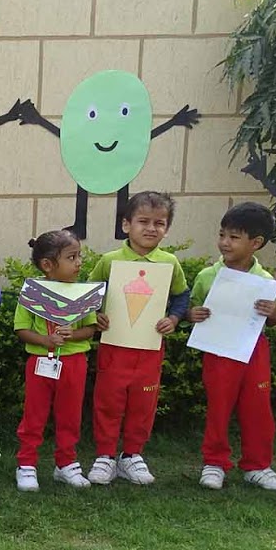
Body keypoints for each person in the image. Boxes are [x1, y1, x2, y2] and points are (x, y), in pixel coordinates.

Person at [86, 191, 191, 486]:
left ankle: (132, 454)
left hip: (150, 347)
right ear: (126, 225)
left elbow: (182, 296)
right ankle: (105, 455)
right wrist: (96, 316)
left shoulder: (170, 263)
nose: (151, 228)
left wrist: (173, 318)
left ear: (167, 229)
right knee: (108, 400)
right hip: (114, 346)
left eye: (159, 223)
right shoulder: (109, 261)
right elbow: (92, 296)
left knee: (144, 402)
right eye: (143, 221)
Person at [186, 203, 276, 491]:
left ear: (256, 243)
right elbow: (192, 309)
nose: (224, 243)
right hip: (218, 351)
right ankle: (214, 463)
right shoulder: (208, 275)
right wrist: (193, 314)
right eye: (222, 235)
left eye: (233, 237)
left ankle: (257, 466)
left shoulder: (265, 280)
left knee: (258, 409)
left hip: (254, 352)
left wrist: (273, 312)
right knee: (218, 408)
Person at [14, 229, 98, 492]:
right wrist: (44, 340)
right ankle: (26, 464)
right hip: (40, 363)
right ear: (48, 265)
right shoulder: (33, 292)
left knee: (70, 416)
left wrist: (73, 335)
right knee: (34, 415)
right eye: (72, 257)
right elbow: (21, 328)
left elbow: (91, 329)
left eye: (79, 256)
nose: (79, 263)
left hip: (74, 363)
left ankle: (66, 463)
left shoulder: (83, 293)